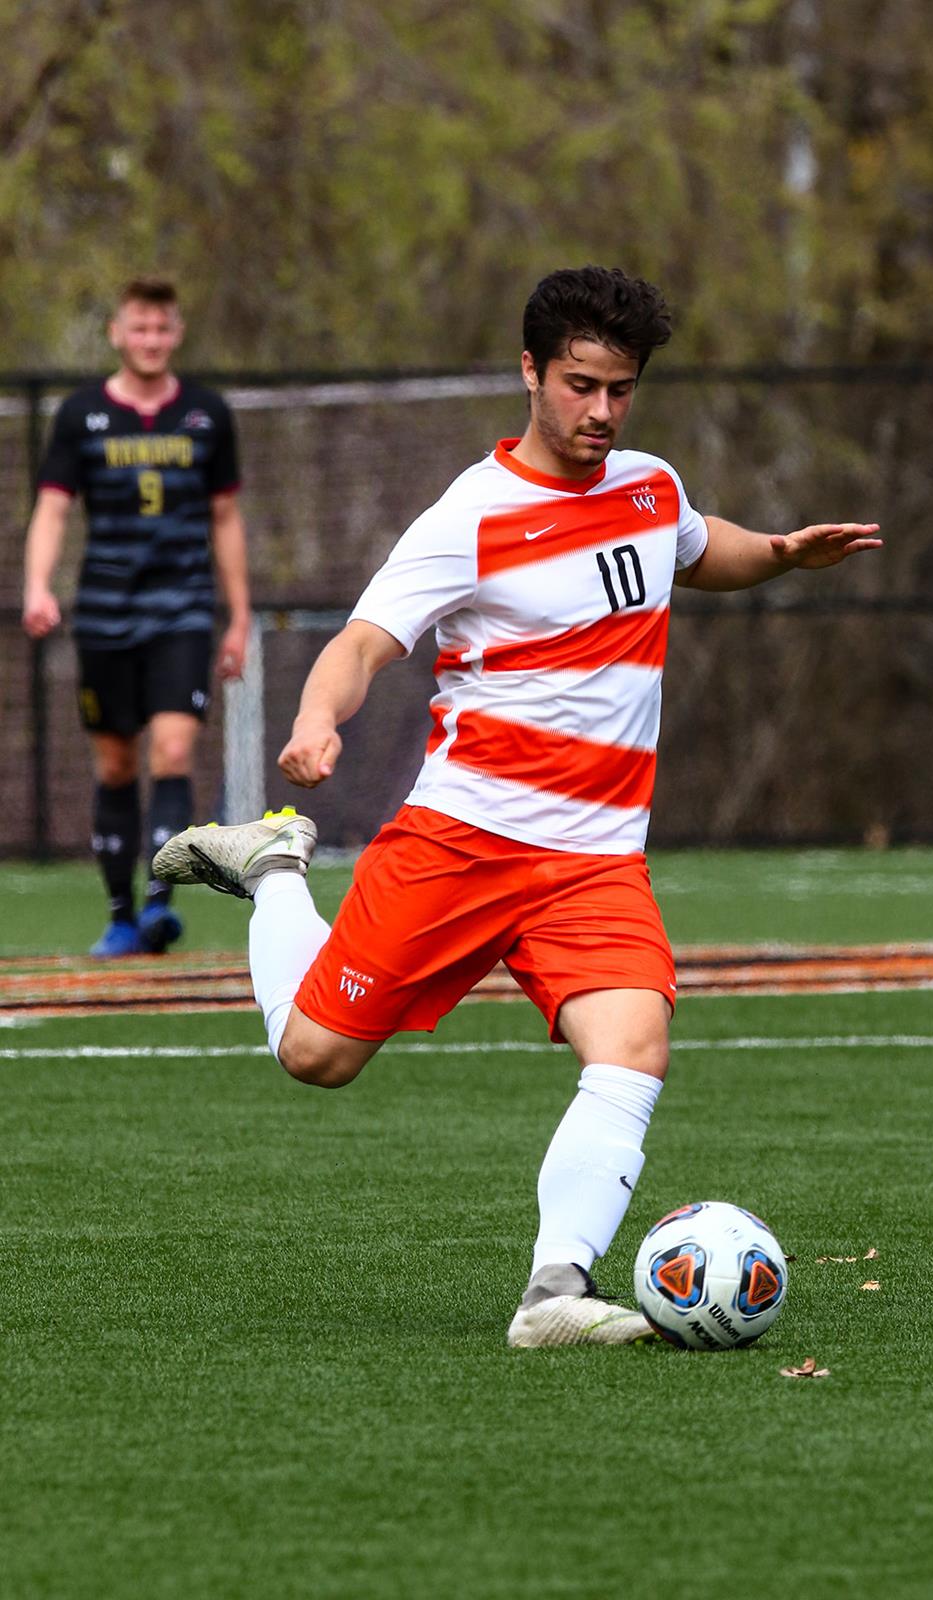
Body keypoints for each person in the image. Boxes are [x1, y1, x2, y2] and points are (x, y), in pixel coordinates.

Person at [154, 266, 880, 1346]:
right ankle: (272, 869)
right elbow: (363, 642)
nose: (599, 412)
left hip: (595, 861)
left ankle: (553, 1294)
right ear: (530, 373)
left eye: (619, 390)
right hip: (465, 840)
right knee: (316, 1056)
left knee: (631, 1044)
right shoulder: (473, 515)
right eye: (580, 385)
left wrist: (775, 554)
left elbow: (694, 542)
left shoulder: (647, 485)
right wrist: (317, 720)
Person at [22, 276, 251, 958]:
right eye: (138, 328)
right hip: (104, 613)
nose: (150, 340)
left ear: (175, 334)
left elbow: (227, 518)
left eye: (162, 329)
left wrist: (237, 616)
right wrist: (37, 585)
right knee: (118, 766)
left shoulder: (208, 414)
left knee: (175, 751)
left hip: (182, 608)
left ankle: (159, 905)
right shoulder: (80, 414)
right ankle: (121, 915)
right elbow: (54, 508)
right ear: (117, 333)